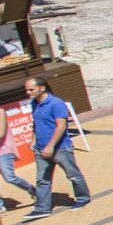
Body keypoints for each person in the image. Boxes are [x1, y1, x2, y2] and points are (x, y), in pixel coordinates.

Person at [23, 75, 90, 216]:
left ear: (42, 88)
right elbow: (36, 123)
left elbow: (61, 126)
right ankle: (42, 208)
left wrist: (50, 146)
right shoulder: (34, 103)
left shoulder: (56, 103)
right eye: (27, 90)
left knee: (73, 174)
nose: (28, 93)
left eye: (31, 89)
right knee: (42, 179)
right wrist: (33, 140)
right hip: (40, 148)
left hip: (60, 148)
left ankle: (83, 197)